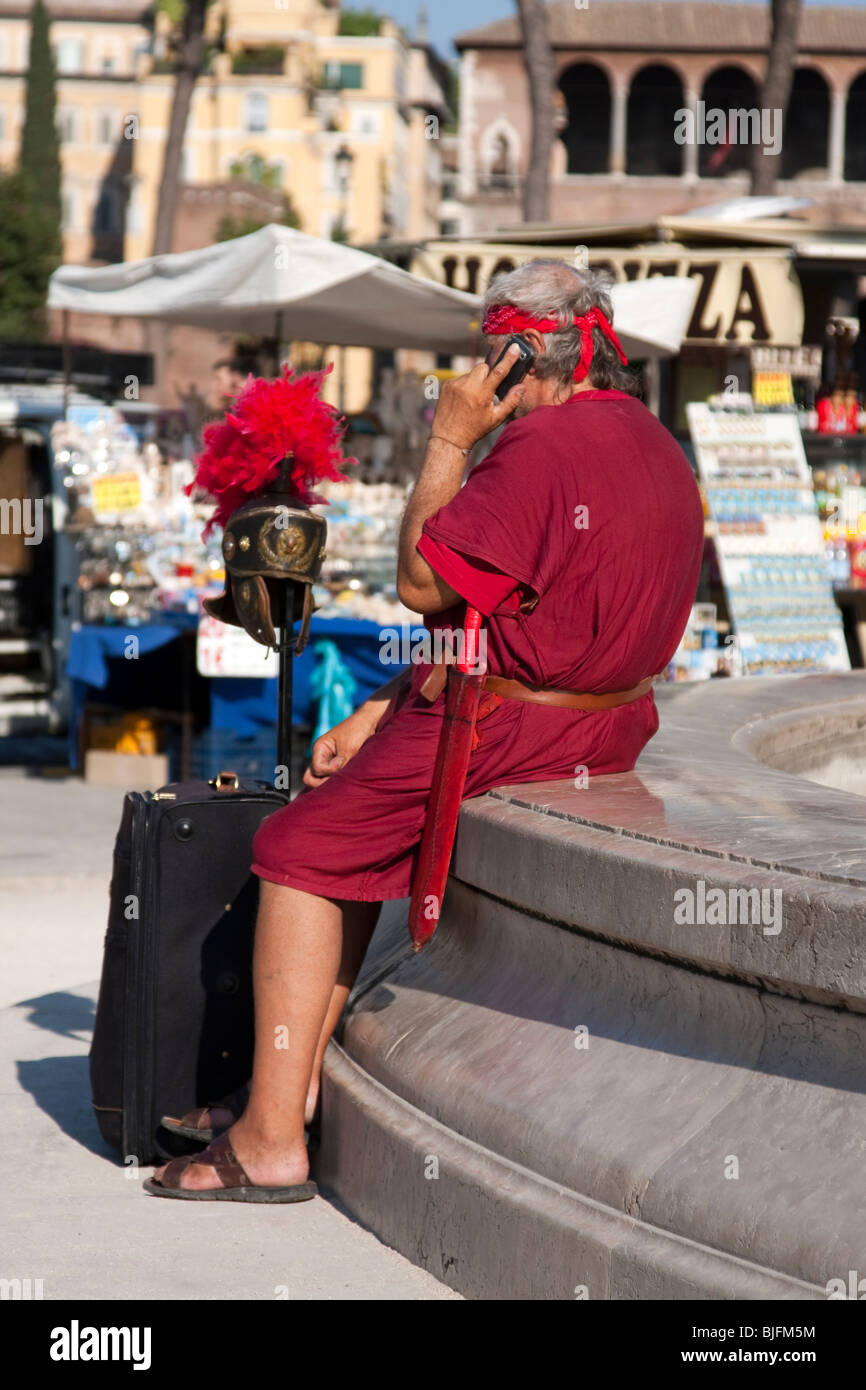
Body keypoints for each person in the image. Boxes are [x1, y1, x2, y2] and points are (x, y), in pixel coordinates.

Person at [146, 259, 705, 1200]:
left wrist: (448, 442)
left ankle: (273, 1140)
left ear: (522, 358)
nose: (478, 378)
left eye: (489, 358)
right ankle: (288, 1080)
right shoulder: (648, 436)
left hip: (516, 730)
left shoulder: (545, 447)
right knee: (337, 810)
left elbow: (421, 585)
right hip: (605, 726)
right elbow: (520, 611)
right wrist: (383, 708)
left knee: (296, 845)